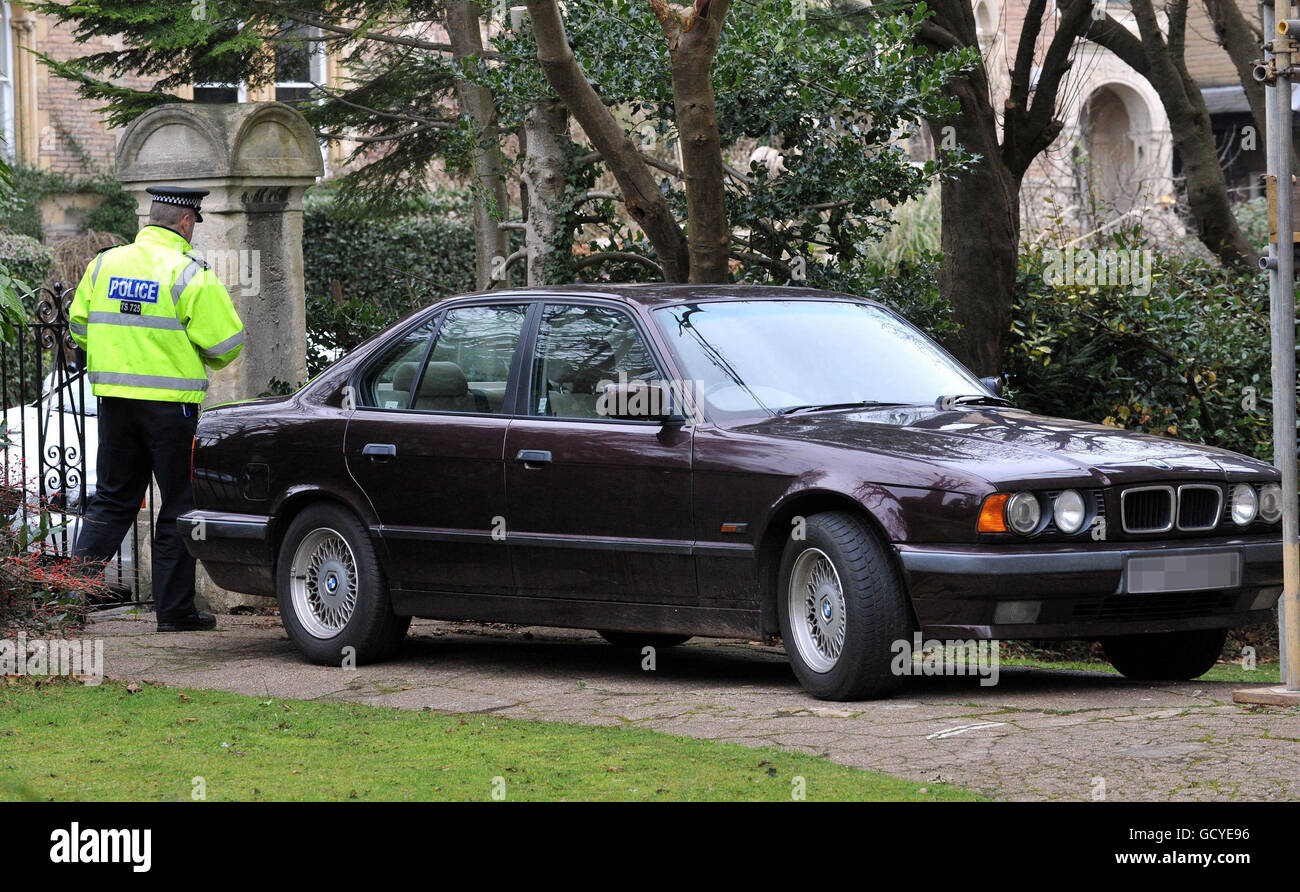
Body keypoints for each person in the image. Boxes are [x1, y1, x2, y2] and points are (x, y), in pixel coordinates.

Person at [69, 185, 245, 632]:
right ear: (186, 222)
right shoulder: (190, 273)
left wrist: (118, 352)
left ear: (151, 219)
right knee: (180, 505)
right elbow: (226, 346)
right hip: (171, 412)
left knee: (111, 500)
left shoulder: (105, 263)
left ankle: (64, 600)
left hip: (114, 404)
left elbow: (78, 325)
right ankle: (174, 612)